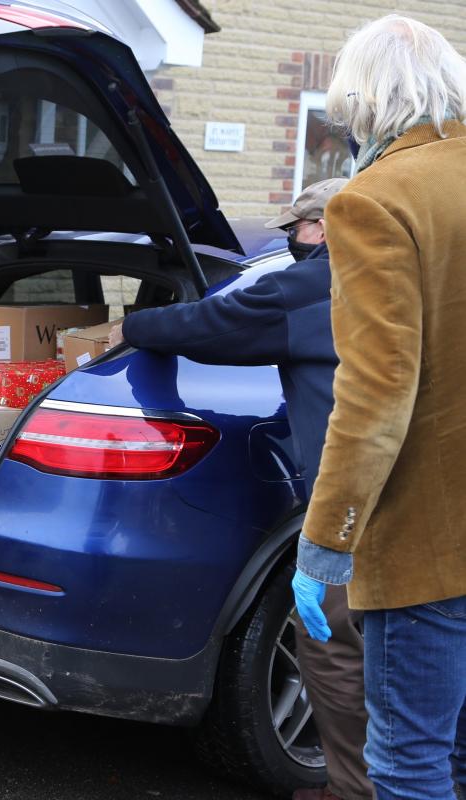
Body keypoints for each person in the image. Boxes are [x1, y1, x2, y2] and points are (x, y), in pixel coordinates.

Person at [110, 178, 371, 800]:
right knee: (414, 639)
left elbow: (210, 324)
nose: (293, 239)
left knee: (331, 641)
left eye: (297, 228)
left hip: (351, 504)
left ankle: (355, 789)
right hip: (420, 494)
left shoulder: (311, 286)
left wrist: (132, 326)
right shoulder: (405, 278)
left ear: (325, 227)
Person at [289, 15, 466, 800]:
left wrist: (324, 545)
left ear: (360, 101)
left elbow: (374, 395)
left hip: (430, 541)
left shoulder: (374, 200)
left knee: (407, 761)